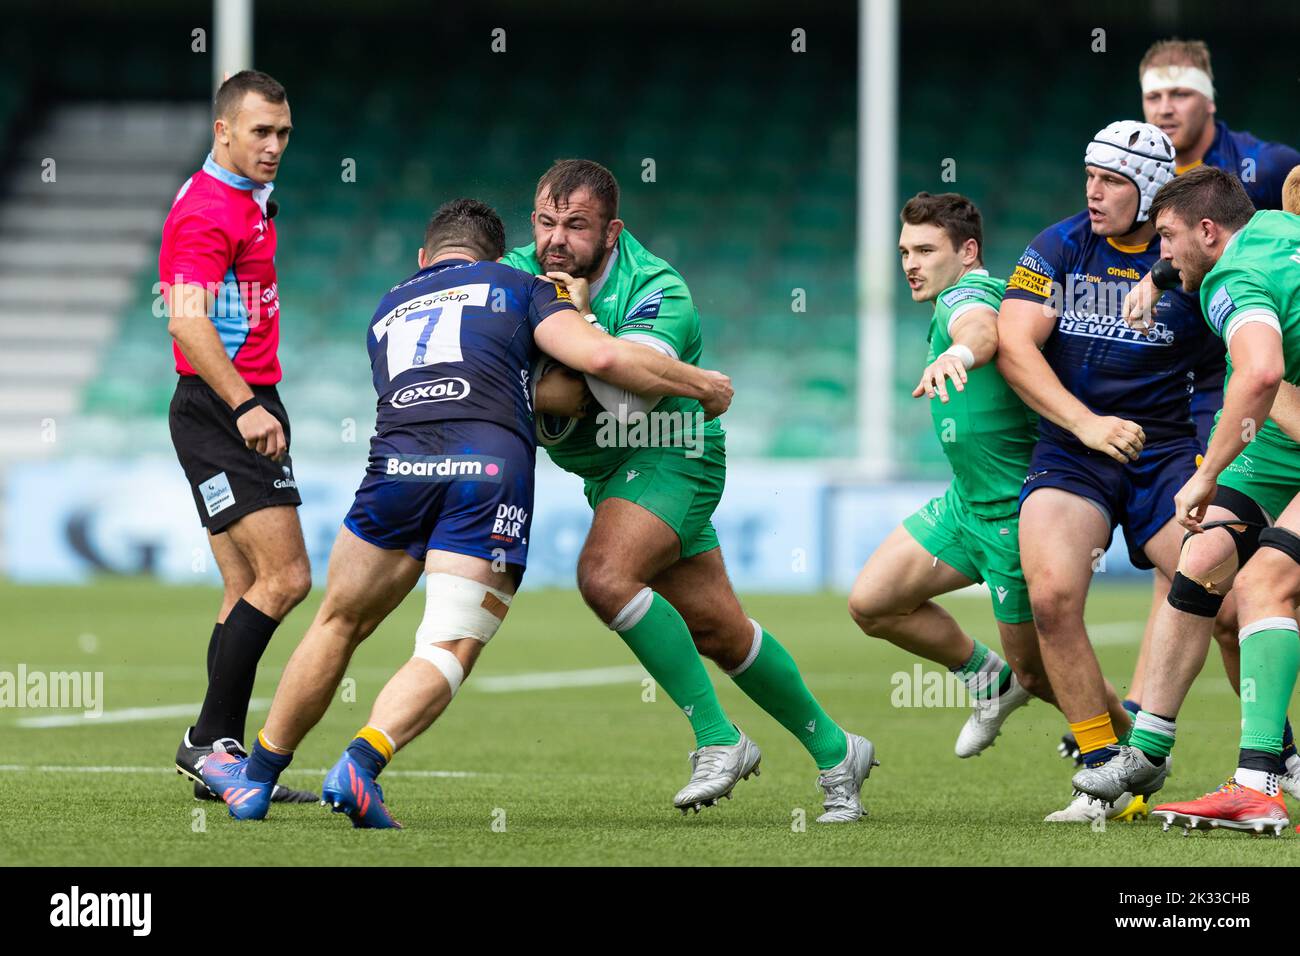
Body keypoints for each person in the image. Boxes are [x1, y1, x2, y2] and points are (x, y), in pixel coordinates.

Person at [201, 198, 735, 826]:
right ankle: (360, 763)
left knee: (338, 621)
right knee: (449, 641)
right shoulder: (521, 286)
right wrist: (700, 384)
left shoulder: (386, 306)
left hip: (395, 466)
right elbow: (602, 361)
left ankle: (256, 777)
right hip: (485, 471)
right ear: (495, 255)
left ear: (424, 258)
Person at [506, 159, 877, 822]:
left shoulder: (656, 287)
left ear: (613, 231)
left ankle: (718, 739)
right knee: (719, 631)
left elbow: (621, 400)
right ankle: (837, 750)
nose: (555, 239)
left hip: (674, 451)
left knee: (604, 575)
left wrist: (576, 325)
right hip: (609, 473)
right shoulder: (512, 270)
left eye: (577, 225)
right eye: (545, 221)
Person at [846, 191, 1133, 770]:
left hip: (1014, 517)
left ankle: (1132, 749)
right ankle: (989, 681)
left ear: (967, 250)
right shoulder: (949, 296)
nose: (910, 263)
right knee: (872, 603)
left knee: (1045, 671)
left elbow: (981, 329)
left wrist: (961, 350)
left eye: (926, 250)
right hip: (964, 506)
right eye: (905, 250)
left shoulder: (973, 295)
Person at [996, 121, 1214, 821]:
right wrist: (1084, 422)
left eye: (1113, 180)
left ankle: (1272, 762)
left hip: (1166, 454)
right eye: (1090, 175)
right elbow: (1013, 345)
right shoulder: (1059, 244)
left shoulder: (1190, 257)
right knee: (1053, 596)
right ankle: (1101, 777)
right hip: (1072, 452)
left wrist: (1213, 457)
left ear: (1150, 191)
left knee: (1233, 595)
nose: (1094, 191)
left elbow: (1227, 366)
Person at [1075, 168, 1300, 826]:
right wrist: (1159, 279)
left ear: (1207, 231)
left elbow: (1260, 372)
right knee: (1201, 561)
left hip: (1277, 434)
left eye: (1166, 239)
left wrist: (1205, 476)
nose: (1159, 249)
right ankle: (1145, 751)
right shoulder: (1273, 226)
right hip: (1282, 446)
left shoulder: (1233, 281)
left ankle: (1259, 782)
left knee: (1265, 583)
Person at [161, 70, 315, 804]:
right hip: (225, 406)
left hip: (229, 401)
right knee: (287, 578)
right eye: (261, 131)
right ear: (223, 130)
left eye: (283, 132)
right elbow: (186, 318)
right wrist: (248, 405)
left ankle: (215, 748)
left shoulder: (244, 203)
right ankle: (205, 742)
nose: (275, 145)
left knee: (245, 584)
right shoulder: (208, 212)